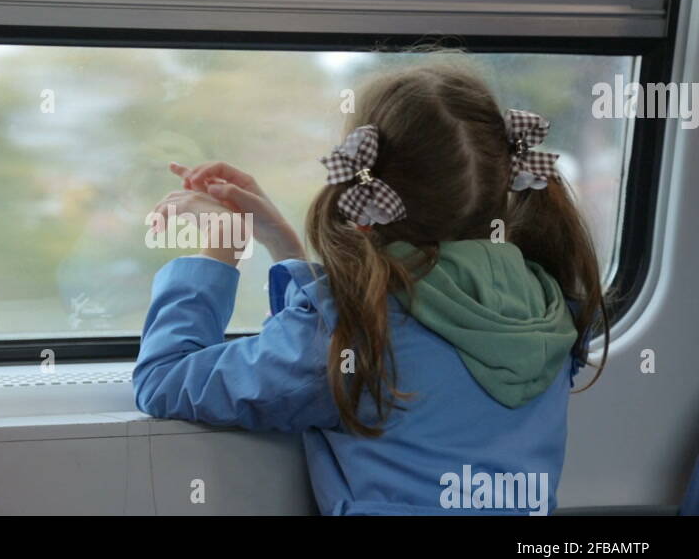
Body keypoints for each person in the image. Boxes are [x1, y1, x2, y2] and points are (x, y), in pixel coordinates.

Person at [134, 61, 609, 515]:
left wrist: (220, 248)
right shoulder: (554, 307)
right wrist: (286, 247)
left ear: (364, 187)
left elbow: (164, 380)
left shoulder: (357, 329)